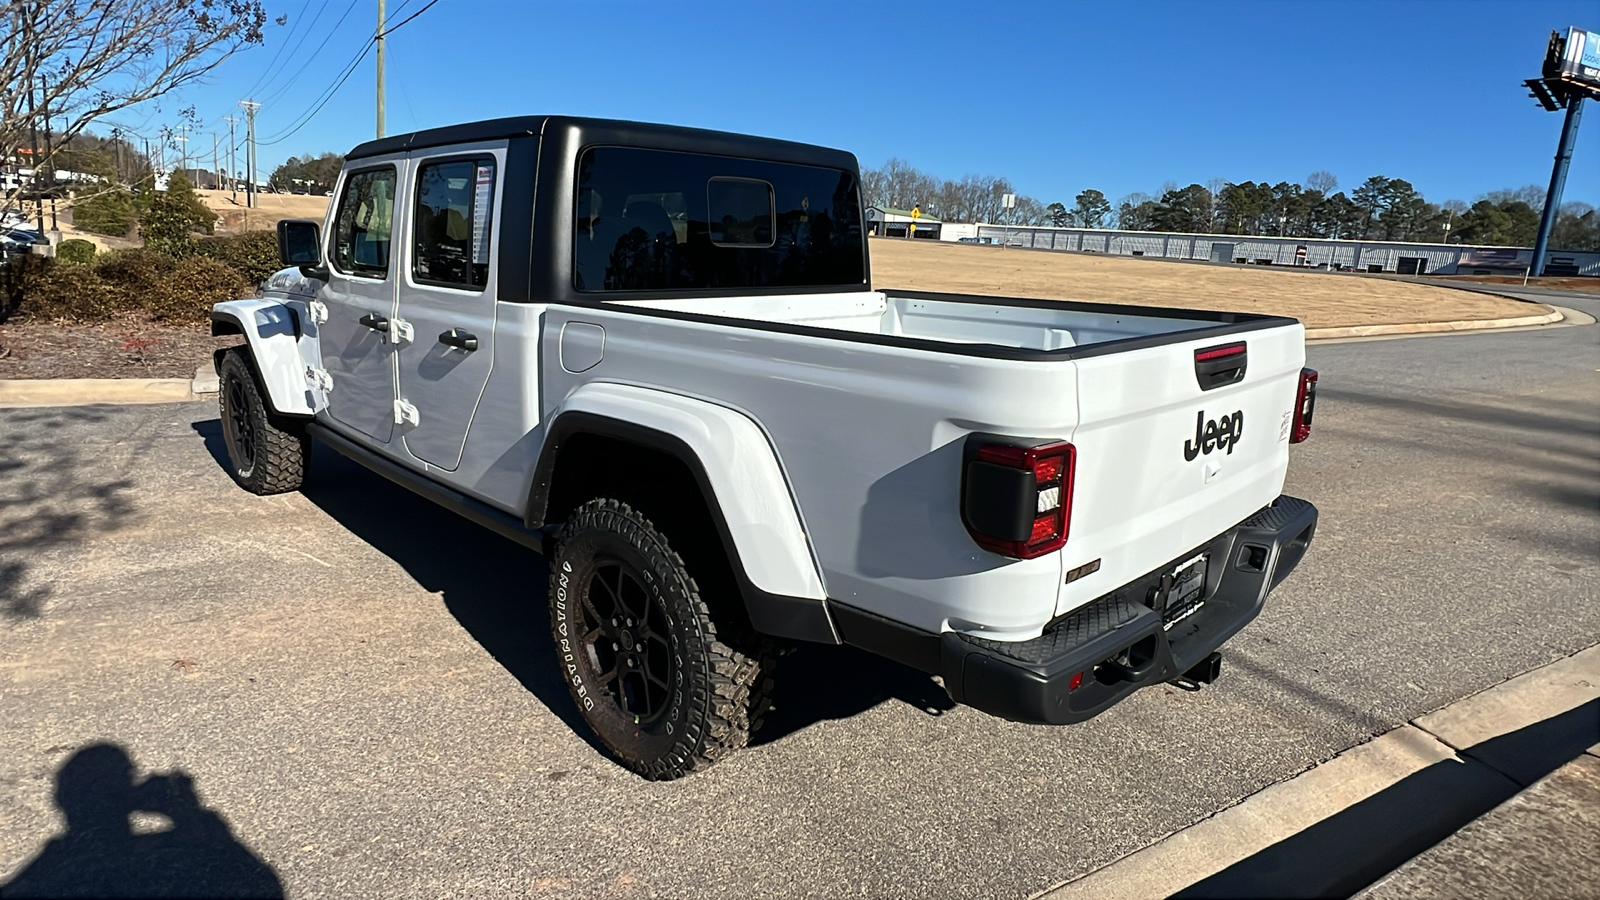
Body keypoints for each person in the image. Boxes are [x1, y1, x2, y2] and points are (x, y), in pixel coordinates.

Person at [2, 743, 283, 899]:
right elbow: (260, 885)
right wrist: (189, 814)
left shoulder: (52, 870)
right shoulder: (170, 857)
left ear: (61, 801)